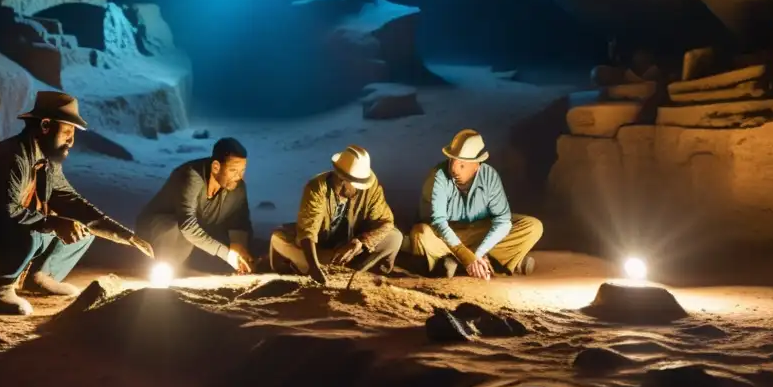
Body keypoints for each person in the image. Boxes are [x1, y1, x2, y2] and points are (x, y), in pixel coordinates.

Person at [0, 91, 153, 316]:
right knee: (33, 234)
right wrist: (53, 223)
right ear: (45, 125)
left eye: (73, 134)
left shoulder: (46, 160)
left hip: (13, 229)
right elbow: (5, 212)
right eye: (67, 131)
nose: (71, 141)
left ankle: (40, 277)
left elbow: (73, 202)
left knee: (83, 228)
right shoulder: (12, 156)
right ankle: (0, 288)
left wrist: (126, 235)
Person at [407, 129, 542, 279]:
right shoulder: (438, 176)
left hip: (478, 232)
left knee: (532, 227)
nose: (454, 169)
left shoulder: (489, 176)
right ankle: (495, 264)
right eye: (452, 160)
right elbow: (439, 223)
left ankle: (457, 264)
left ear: (476, 165)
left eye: (462, 165)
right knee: (420, 234)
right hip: (444, 236)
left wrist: (478, 253)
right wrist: (467, 257)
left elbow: (502, 221)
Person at [269, 145, 403, 284]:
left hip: (350, 243)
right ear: (341, 179)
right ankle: (315, 266)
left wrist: (361, 242)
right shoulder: (317, 188)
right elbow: (308, 232)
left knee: (395, 238)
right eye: (356, 185)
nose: (359, 190)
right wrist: (314, 268)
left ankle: (353, 271)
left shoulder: (370, 185)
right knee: (299, 251)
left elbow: (386, 222)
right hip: (323, 247)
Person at [135, 138, 254, 275]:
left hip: (194, 238)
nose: (239, 176)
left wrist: (239, 251)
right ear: (216, 167)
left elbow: (240, 222)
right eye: (233, 170)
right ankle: (161, 273)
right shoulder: (191, 176)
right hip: (157, 234)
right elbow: (187, 224)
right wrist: (227, 254)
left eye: (242, 170)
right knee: (171, 227)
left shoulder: (236, 186)